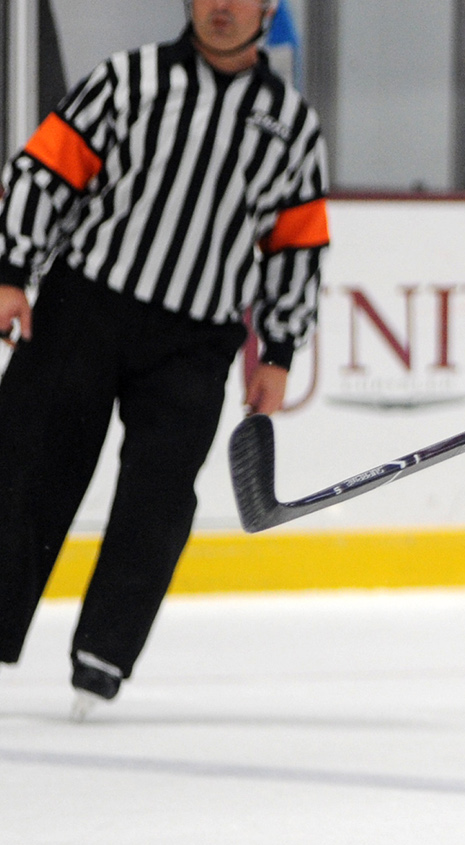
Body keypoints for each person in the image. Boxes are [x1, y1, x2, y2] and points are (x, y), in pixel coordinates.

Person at [0, 0, 328, 719]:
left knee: (158, 499)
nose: (222, 7)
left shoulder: (291, 124)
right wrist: (11, 271)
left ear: (269, 8)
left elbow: (296, 244)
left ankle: (103, 658)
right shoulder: (129, 80)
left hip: (196, 340)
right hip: (84, 309)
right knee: (24, 467)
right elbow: (43, 170)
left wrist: (278, 349)